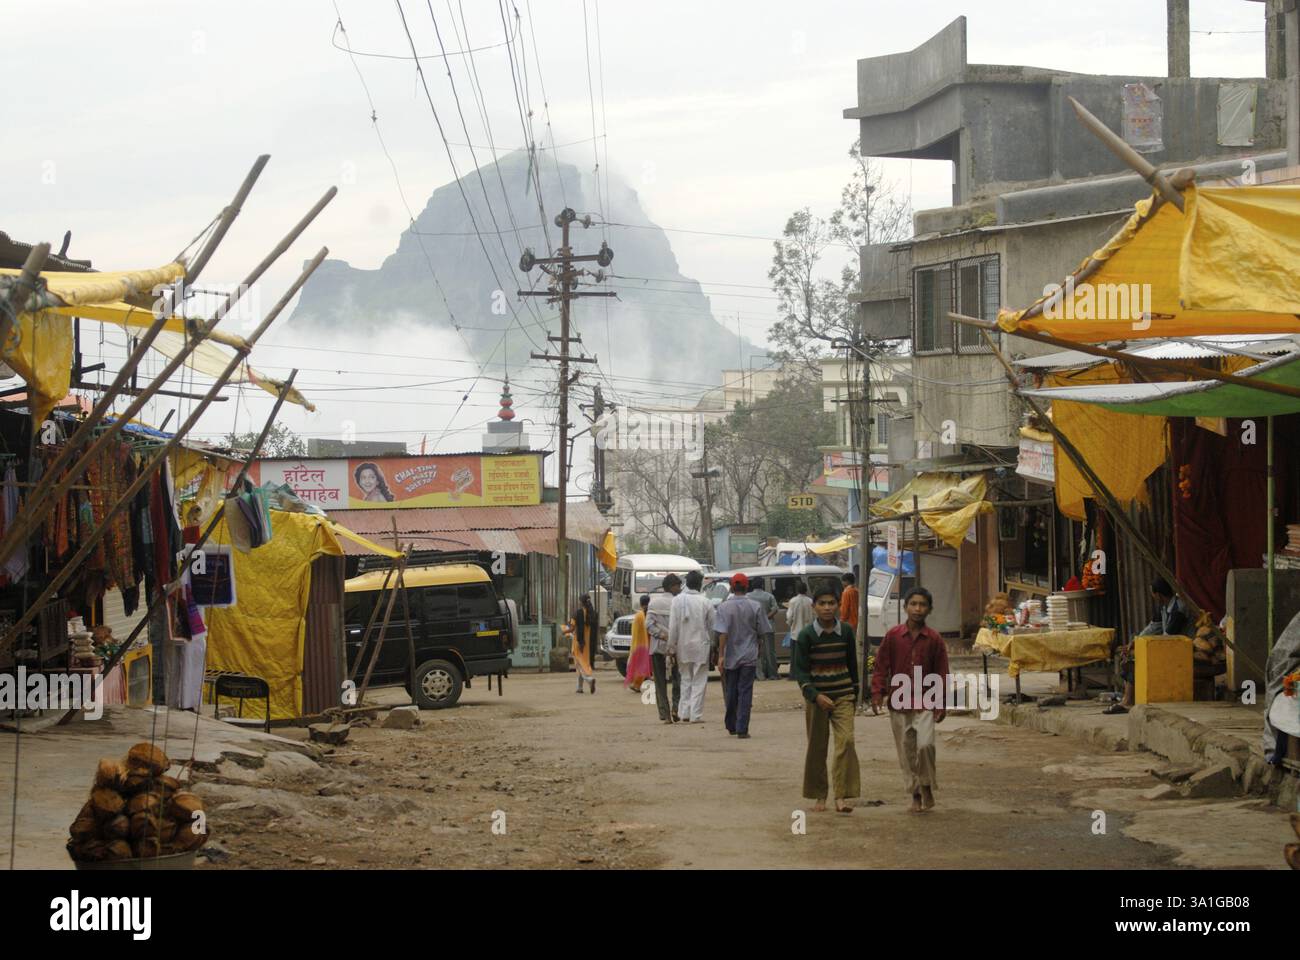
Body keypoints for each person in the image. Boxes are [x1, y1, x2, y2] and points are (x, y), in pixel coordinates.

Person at [872, 586, 948, 812]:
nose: (917, 609)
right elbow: (881, 666)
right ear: (905, 607)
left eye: (922, 605)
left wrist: (941, 703)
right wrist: (877, 692)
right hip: (899, 701)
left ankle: (926, 785)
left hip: (925, 701)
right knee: (907, 751)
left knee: (925, 745)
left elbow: (942, 671)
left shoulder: (934, 639)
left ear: (929, 609)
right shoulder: (893, 636)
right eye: (913, 604)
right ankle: (915, 794)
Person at [791, 584, 860, 813]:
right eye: (822, 603)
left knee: (846, 742)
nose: (827, 607)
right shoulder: (806, 636)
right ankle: (819, 796)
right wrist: (815, 695)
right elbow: (800, 672)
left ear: (838, 606)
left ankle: (842, 796)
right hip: (817, 699)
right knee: (817, 748)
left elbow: (852, 664)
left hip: (843, 696)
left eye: (832, 603)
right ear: (814, 607)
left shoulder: (847, 632)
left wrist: (855, 693)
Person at [1107, 577, 1191, 714]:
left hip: (1181, 650)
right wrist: (1134, 642)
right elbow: (1153, 628)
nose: (1152, 596)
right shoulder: (1164, 607)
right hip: (1170, 646)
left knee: (1136, 662)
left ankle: (1127, 701)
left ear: (1158, 594)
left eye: (1152, 593)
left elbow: (1168, 638)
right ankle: (1126, 700)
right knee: (1130, 658)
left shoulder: (1178, 609)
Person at [714, 573, 771, 739]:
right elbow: (763, 631)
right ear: (747, 588)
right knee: (745, 691)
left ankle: (731, 725)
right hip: (749, 655)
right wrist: (759, 645)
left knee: (731, 690)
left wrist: (721, 655)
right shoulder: (755, 606)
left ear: (731, 587)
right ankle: (742, 728)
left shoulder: (723, 607)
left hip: (731, 656)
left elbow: (722, 633)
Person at [668, 570, 715, 723]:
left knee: (685, 680)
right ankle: (696, 715)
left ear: (686, 583)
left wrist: (671, 647)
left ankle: (684, 713)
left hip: (683, 646)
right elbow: (712, 627)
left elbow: (673, 627)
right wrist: (714, 645)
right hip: (701, 646)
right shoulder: (705, 601)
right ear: (700, 584)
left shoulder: (676, 600)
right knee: (699, 681)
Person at [647, 574, 682, 723]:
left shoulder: (654, 603)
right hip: (676, 649)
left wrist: (662, 635)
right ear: (672, 586)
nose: (680, 589)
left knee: (660, 682)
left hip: (657, 649)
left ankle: (665, 714)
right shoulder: (679, 603)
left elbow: (648, 625)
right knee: (677, 680)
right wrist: (671, 638)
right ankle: (677, 708)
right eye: (678, 586)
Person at [747, 582, 780, 680]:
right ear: (762, 585)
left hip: (753, 627)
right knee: (770, 651)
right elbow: (775, 609)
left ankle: (758, 674)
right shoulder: (769, 596)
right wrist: (765, 618)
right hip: (768, 627)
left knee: (755, 651)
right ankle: (772, 674)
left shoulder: (748, 596)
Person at [784, 580, 816, 681]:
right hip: (808, 633)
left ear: (797, 590)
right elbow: (814, 616)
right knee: (807, 655)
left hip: (796, 633)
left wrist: (789, 623)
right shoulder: (810, 601)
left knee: (795, 656)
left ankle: (794, 675)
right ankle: (807, 674)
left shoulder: (793, 601)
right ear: (806, 590)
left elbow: (789, 616)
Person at [624, 594, 653, 692]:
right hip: (650, 644)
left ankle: (637, 684)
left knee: (637, 665)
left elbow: (635, 632)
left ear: (641, 604)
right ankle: (645, 681)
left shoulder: (638, 616)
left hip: (639, 645)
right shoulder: (651, 614)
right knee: (647, 665)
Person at [569, 596, 597, 694]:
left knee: (579, 665)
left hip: (578, 643)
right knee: (583, 663)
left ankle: (589, 680)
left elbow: (572, 628)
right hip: (588, 644)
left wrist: (564, 630)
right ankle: (579, 687)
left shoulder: (578, 612)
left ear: (581, 602)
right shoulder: (592, 613)